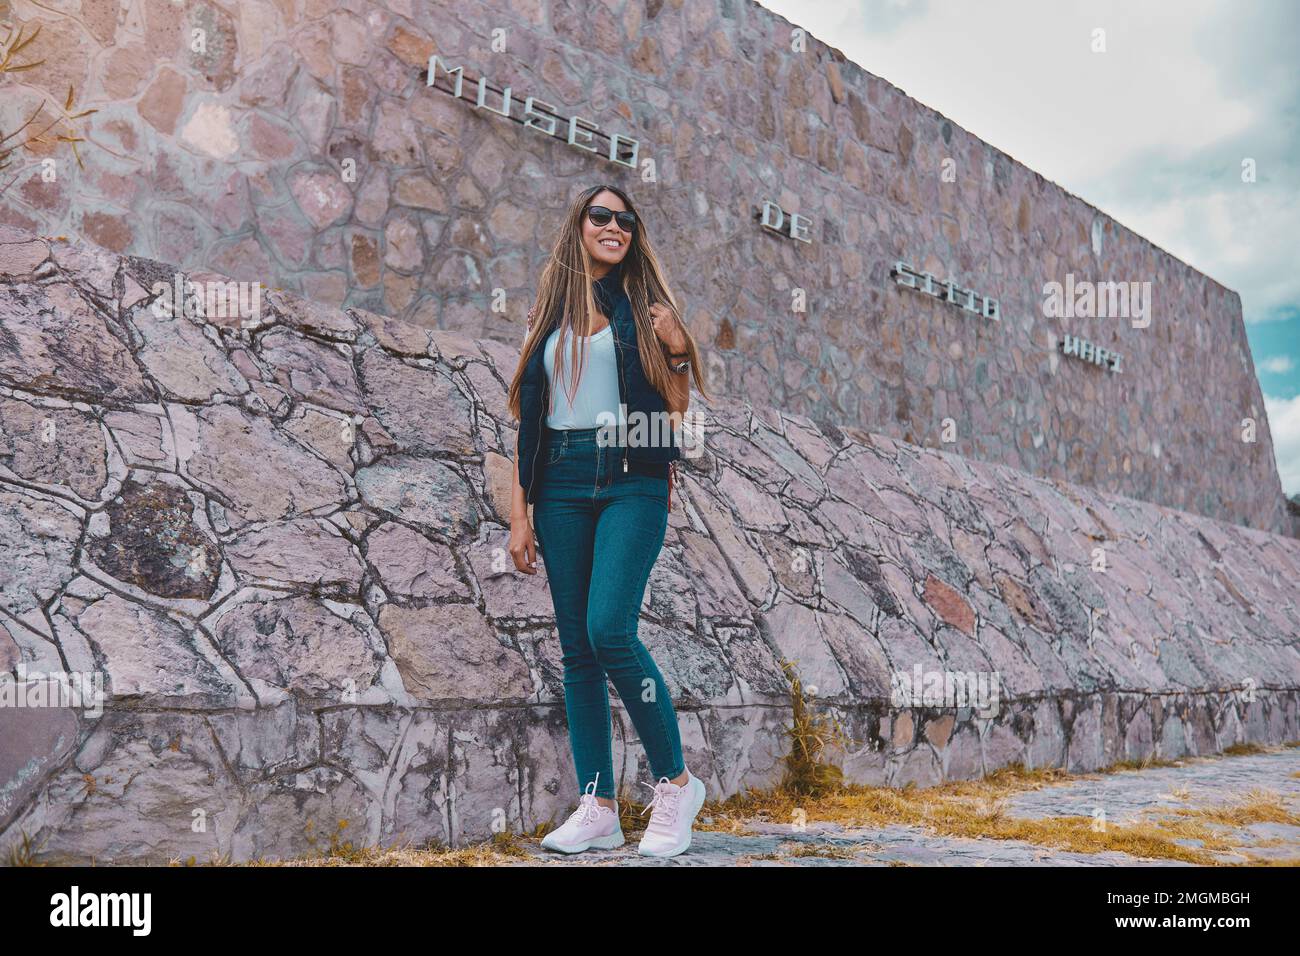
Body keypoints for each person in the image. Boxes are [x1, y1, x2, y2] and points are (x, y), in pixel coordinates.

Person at [505, 183, 711, 857]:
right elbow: (528, 423)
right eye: (601, 216)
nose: (613, 225)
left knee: (608, 630)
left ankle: (676, 784)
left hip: (632, 478)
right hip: (560, 480)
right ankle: (597, 805)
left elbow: (676, 411)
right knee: (577, 653)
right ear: (580, 226)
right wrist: (521, 515)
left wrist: (679, 349)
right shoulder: (549, 314)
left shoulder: (647, 309)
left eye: (625, 219)